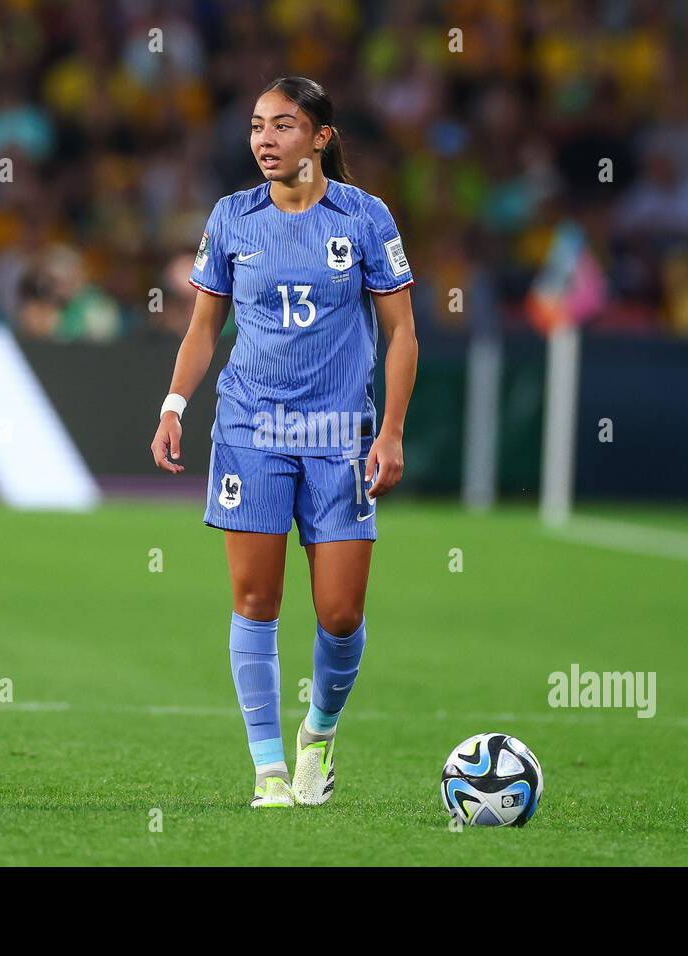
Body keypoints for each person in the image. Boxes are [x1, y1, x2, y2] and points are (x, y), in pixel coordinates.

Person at [149, 76, 418, 808]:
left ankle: (318, 739)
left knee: (340, 613)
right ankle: (268, 769)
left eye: (284, 126)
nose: (266, 140)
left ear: (321, 136)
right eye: (257, 127)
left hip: (339, 436)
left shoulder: (364, 217)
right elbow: (205, 327)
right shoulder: (233, 218)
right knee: (255, 598)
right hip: (250, 429)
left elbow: (400, 333)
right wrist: (175, 404)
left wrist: (390, 430)